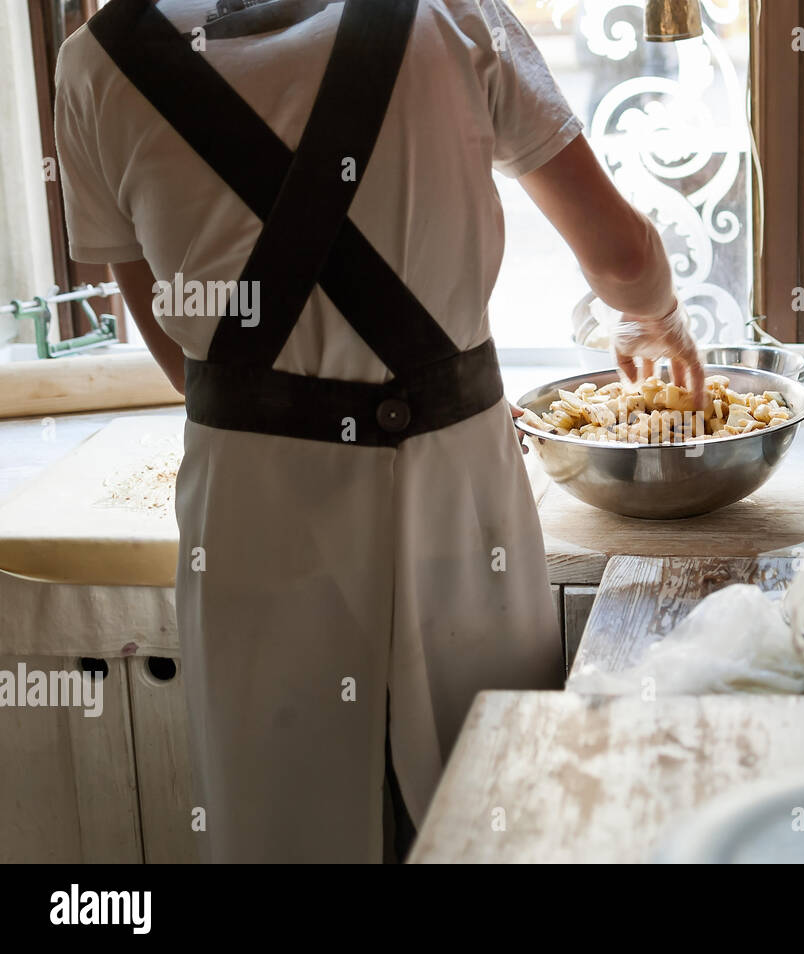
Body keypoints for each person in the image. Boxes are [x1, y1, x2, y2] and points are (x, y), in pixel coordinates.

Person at [54, 0, 703, 862]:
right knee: (488, 819)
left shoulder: (94, 64)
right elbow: (621, 258)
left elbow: (193, 368)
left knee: (280, 822)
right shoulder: (454, 14)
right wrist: (652, 316)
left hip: (252, 526)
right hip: (454, 507)